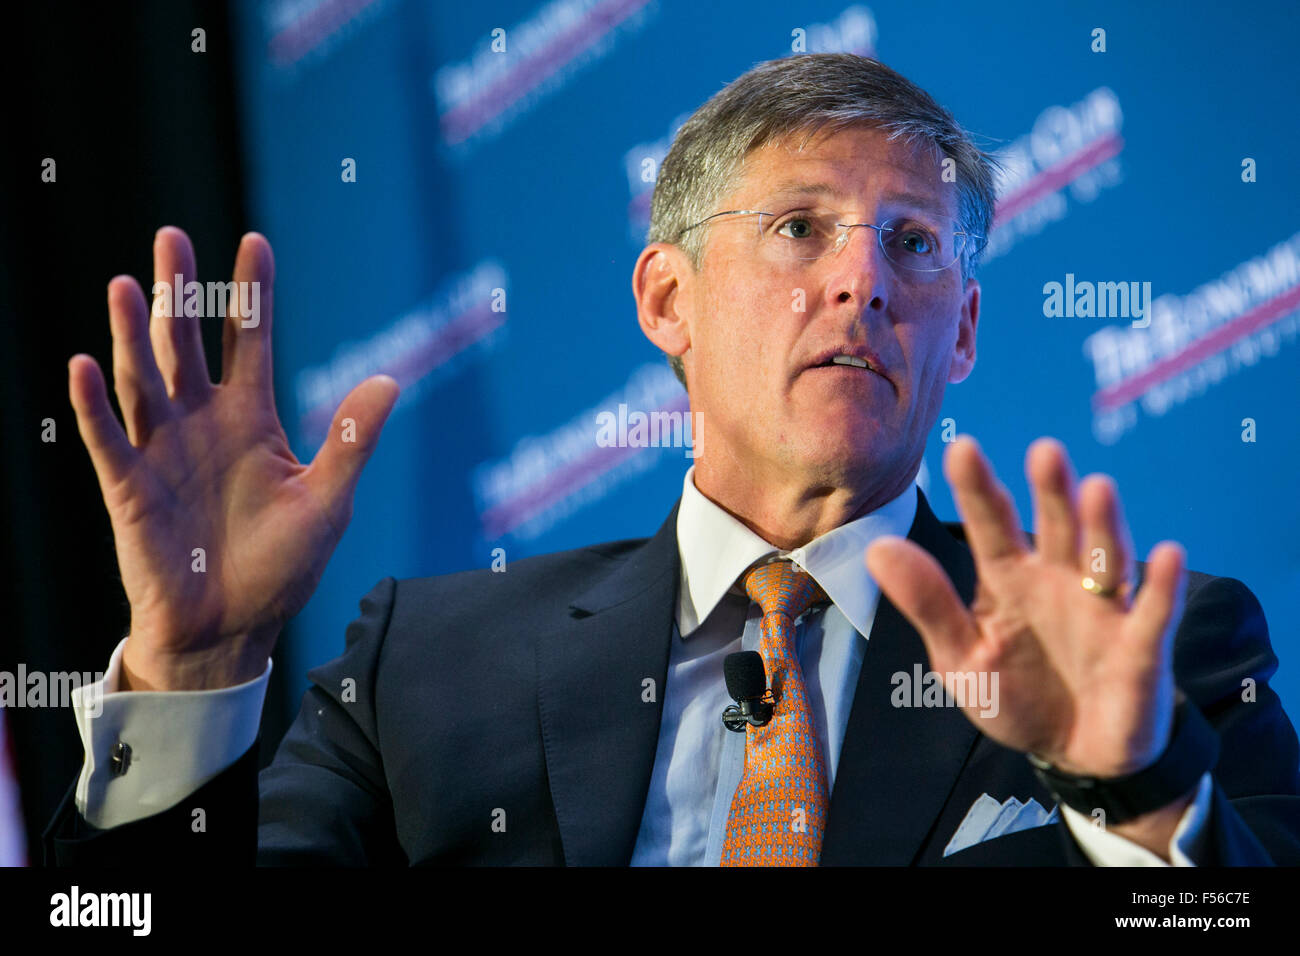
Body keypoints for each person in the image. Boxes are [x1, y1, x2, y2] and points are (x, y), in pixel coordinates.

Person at [46, 54, 1300, 866]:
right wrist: (190, 671)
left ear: (961, 328)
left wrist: (1132, 789)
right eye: (800, 227)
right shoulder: (423, 666)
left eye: (913, 245)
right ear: (666, 301)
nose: (864, 279)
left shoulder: (1147, 648)